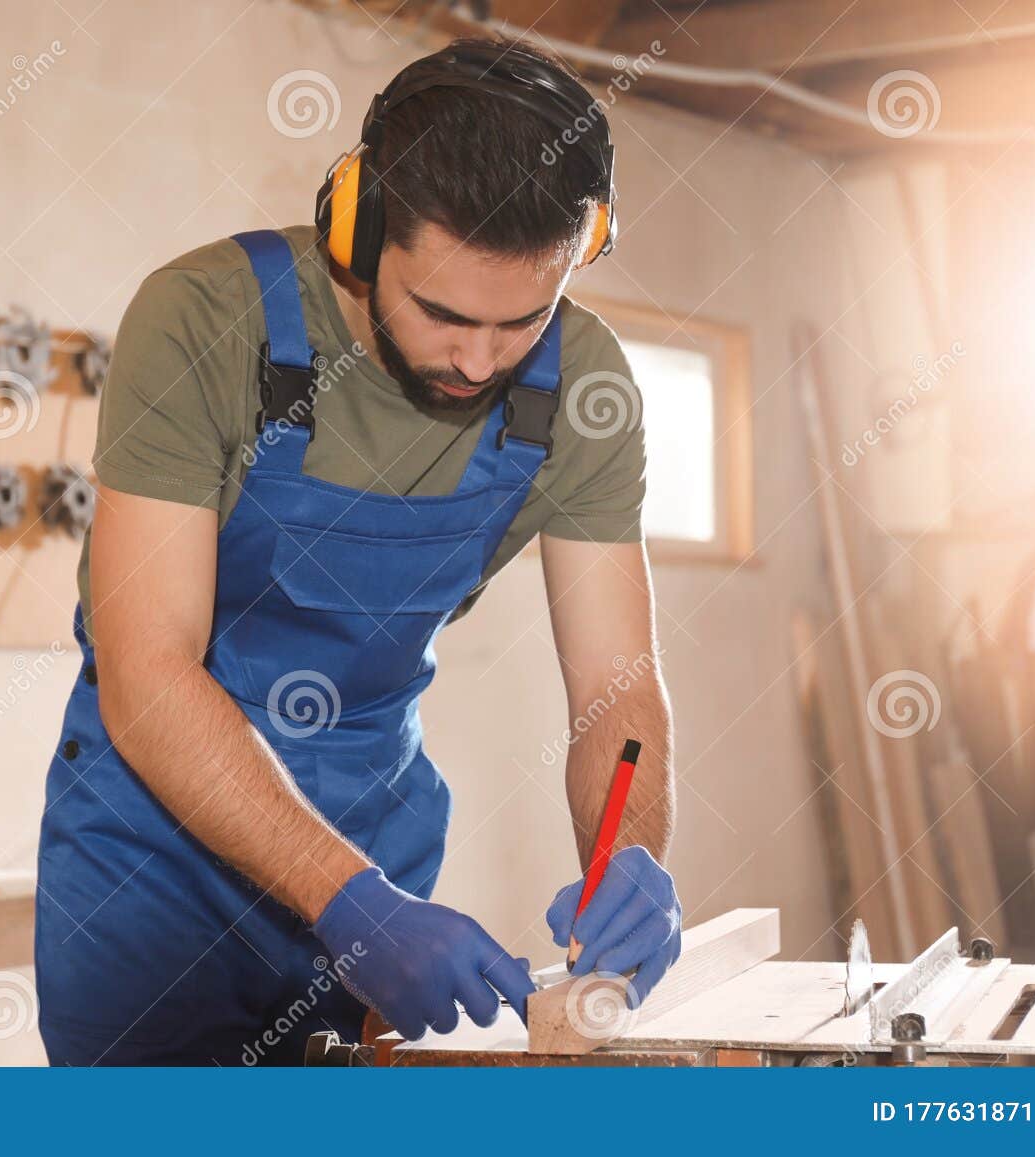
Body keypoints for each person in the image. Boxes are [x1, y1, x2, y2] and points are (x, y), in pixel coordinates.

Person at [35, 35, 681, 1066]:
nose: (477, 360)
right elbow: (147, 673)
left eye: (523, 319)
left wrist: (633, 854)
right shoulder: (205, 322)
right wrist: (347, 903)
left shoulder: (584, 390)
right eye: (441, 313)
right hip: (153, 853)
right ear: (357, 226)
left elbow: (617, 685)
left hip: (372, 817)